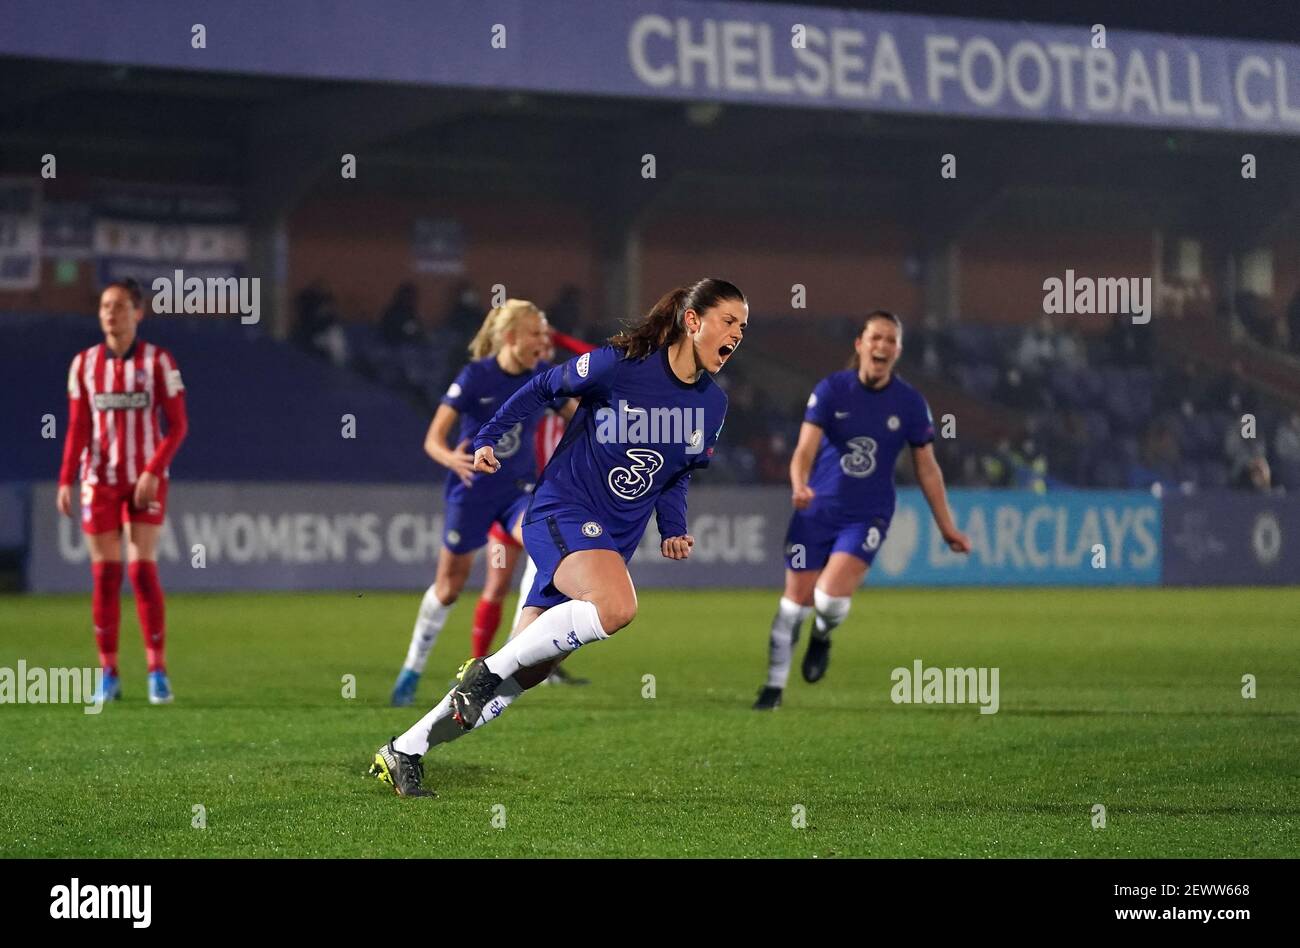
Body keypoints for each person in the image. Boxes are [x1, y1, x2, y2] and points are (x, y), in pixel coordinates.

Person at [370, 277, 747, 796]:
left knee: (525, 673)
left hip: (609, 541)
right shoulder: (621, 365)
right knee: (616, 607)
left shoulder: (712, 406)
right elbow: (542, 386)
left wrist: (674, 527)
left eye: (743, 328)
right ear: (692, 320)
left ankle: (405, 749)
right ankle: (485, 668)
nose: (737, 334)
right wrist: (485, 437)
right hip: (560, 512)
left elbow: (677, 471)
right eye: (729, 321)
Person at [753, 310, 971, 710]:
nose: (882, 346)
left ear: (898, 350)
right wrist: (799, 485)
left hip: (867, 514)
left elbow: (927, 468)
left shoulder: (909, 403)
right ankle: (772, 689)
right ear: (860, 344)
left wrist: (947, 527)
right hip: (816, 510)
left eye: (891, 340)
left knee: (830, 600)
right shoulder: (831, 391)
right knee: (792, 604)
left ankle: (822, 634)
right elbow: (804, 449)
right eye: (876, 338)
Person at [389, 300, 570, 706]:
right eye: (536, 333)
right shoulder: (476, 376)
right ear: (510, 337)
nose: (545, 341)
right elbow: (434, 438)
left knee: (543, 547)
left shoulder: (542, 376)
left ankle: (512, 650)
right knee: (449, 590)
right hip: (470, 492)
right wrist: (450, 456)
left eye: (545, 333)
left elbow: (577, 412)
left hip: (516, 491)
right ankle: (412, 667)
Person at [56, 279, 189, 705]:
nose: (110, 314)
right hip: (99, 479)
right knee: (105, 576)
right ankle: (109, 673)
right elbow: (77, 427)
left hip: (144, 478)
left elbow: (178, 425)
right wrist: (65, 479)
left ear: (138, 312)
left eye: (119, 306)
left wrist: (153, 469)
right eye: (104, 306)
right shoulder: (83, 364)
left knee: (142, 570)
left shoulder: (158, 362)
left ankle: (157, 671)